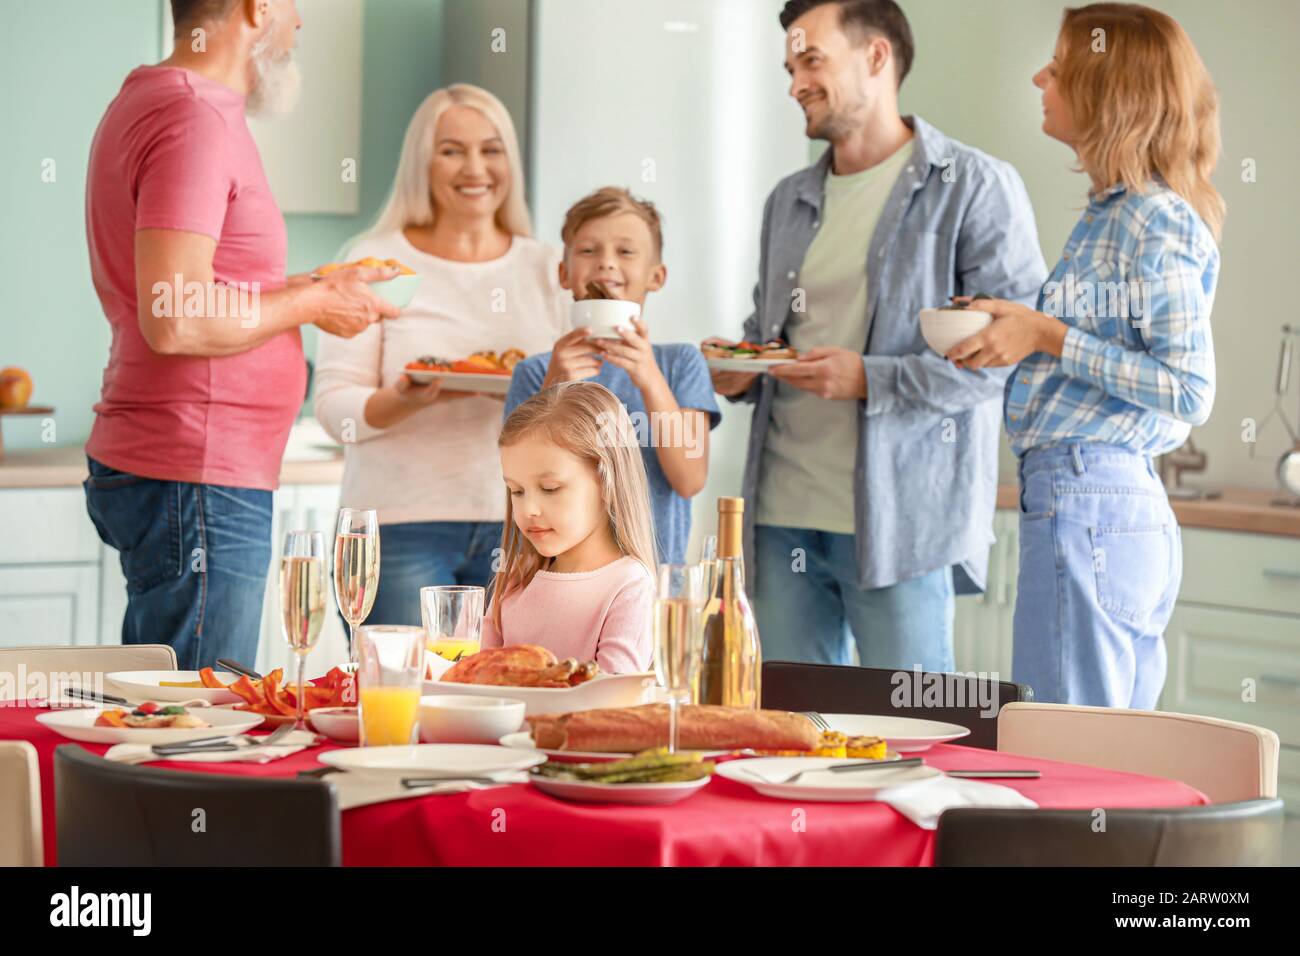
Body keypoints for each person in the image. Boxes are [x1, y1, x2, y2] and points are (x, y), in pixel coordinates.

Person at [710, 0, 1046, 671]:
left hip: (904, 525)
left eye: (811, 61)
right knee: (793, 722)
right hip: (781, 517)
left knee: (914, 725)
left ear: (875, 57)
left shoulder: (973, 186)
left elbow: (1008, 356)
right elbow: (766, 333)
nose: (796, 84)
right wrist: (739, 368)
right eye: (789, 69)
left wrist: (870, 379)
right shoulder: (788, 199)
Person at [82, 0, 398, 670]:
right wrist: (312, 301)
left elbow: (204, 287)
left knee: (170, 702)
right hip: (197, 470)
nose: (299, 22)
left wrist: (315, 285)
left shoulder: (162, 101)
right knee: (201, 713)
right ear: (256, 7)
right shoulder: (192, 117)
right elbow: (176, 316)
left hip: (188, 470)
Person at [945, 3, 1222, 708]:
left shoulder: (1152, 219)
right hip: (1094, 498)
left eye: (1058, 69)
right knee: (1098, 745)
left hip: (1091, 497)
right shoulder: (1114, 213)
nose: (1039, 79)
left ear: (1109, 93)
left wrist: (1047, 335)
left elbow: (1189, 387)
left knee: (1066, 748)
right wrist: (1021, 330)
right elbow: (1096, 354)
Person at [313, 84, 570, 626]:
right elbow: (335, 412)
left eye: (491, 149)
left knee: (514, 680)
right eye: (452, 150)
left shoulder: (550, 268)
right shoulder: (376, 262)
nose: (474, 168)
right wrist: (405, 400)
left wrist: (547, 388)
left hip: (525, 527)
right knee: (405, 682)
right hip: (398, 527)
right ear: (421, 164)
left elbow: (583, 407)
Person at [505, 187, 720, 564]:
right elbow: (520, 486)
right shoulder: (535, 372)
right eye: (588, 251)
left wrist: (650, 379)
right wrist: (553, 387)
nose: (605, 263)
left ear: (656, 276)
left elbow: (689, 480)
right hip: (560, 578)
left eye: (625, 251)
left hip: (654, 580)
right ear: (564, 273)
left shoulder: (679, 364)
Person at [484, 382, 658, 674]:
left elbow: (611, 694)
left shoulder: (629, 586)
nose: (528, 509)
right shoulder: (515, 578)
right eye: (517, 491)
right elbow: (473, 675)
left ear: (607, 482)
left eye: (550, 488)